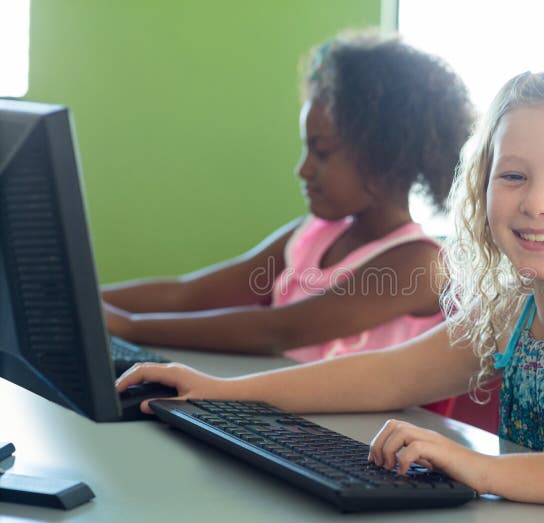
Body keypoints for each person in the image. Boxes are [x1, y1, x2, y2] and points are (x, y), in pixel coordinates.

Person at [116, 68, 544, 518]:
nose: (537, 202)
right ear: (482, 187)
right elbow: (383, 376)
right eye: (511, 175)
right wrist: (222, 392)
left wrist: (486, 470)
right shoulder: (514, 311)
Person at [102, 32, 475, 367]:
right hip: (284, 424)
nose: (303, 170)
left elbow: (279, 331)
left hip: (352, 439)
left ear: (382, 159)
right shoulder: (312, 235)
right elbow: (189, 294)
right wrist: (82, 299)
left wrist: (130, 327)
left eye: (322, 153)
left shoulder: (418, 264)